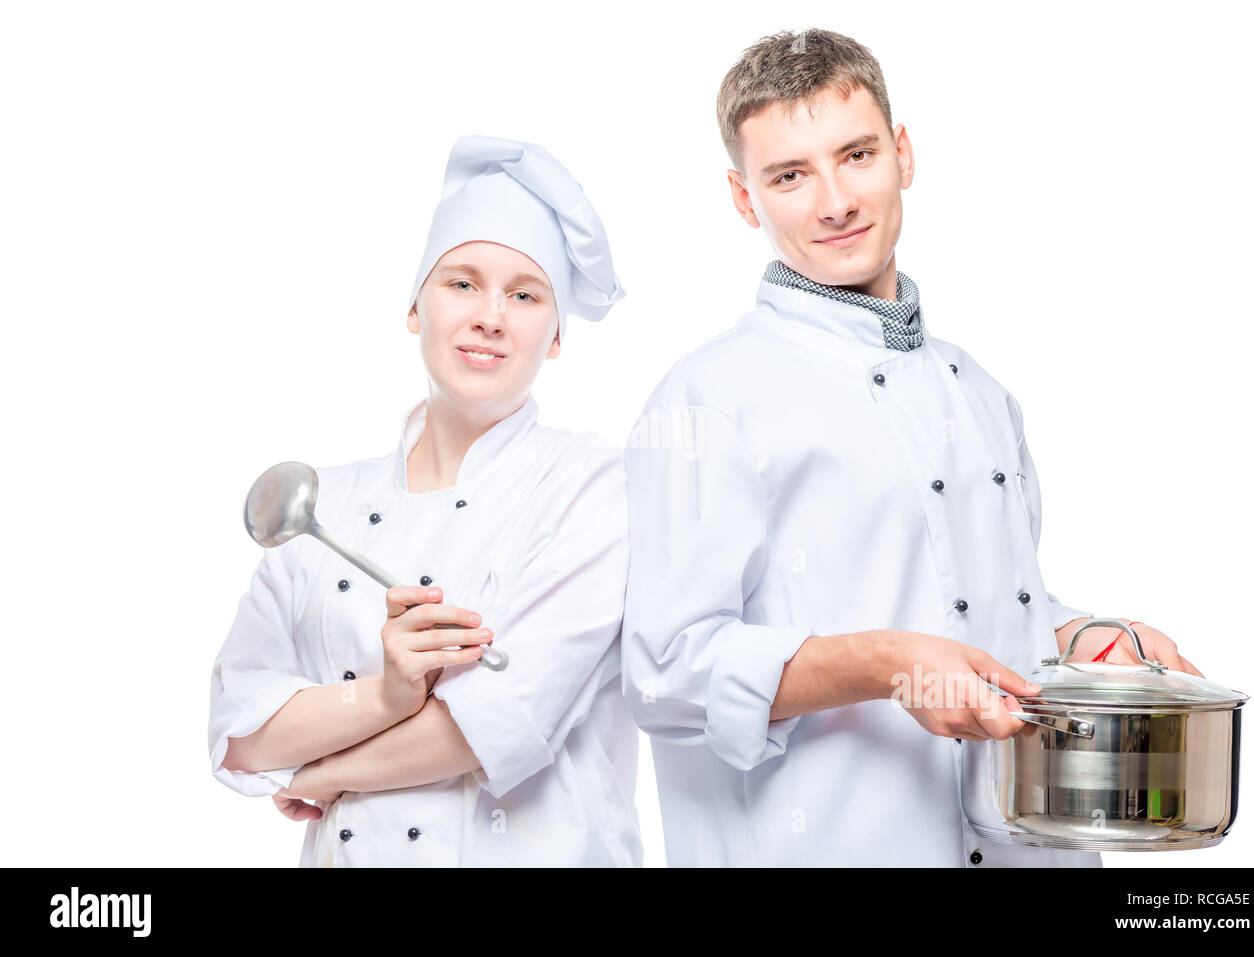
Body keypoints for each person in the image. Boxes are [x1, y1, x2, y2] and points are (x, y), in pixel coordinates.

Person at [620, 29, 1201, 867]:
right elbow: (666, 673)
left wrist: (1078, 638)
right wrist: (885, 663)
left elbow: (983, 604)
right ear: (745, 199)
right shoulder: (707, 397)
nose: (834, 202)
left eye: (855, 155)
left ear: (903, 153)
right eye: (789, 175)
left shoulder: (979, 390)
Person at [208, 135, 642, 867]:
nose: (490, 316)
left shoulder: (591, 487)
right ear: (415, 308)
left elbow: (499, 723)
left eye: (526, 294)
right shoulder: (324, 507)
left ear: (557, 334)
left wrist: (323, 769)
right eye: (461, 283)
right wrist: (385, 698)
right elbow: (239, 733)